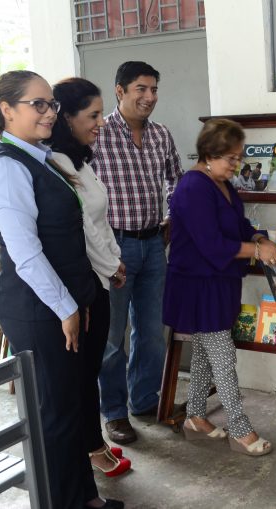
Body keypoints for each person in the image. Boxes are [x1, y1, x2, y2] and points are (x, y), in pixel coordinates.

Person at [0, 70, 123, 508]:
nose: (49, 113)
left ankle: (86, 497)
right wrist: (66, 307)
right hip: (40, 308)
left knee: (73, 408)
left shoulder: (41, 159)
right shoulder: (7, 167)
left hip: (65, 301)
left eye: (51, 104)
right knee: (56, 416)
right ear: (7, 110)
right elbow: (25, 253)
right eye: (37, 104)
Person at [163, 118, 276, 456]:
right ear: (209, 153)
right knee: (222, 356)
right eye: (230, 158)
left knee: (204, 352)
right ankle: (241, 429)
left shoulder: (222, 184)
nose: (236, 165)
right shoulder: (193, 187)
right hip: (197, 284)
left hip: (220, 281)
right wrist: (259, 251)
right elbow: (212, 244)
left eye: (238, 157)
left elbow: (239, 224)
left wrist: (258, 237)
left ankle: (195, 418)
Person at [91, 61, 183, 445]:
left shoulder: (161, 135)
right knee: (113, 337)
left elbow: (176, 180)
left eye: (154, 89)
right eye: (141, 89)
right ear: (120, 91)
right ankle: (114, 413)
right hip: (114, 246)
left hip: (153, 244)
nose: (150, 97)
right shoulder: (98, 135)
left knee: (150, 333)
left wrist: (170, 219)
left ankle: (144, 402)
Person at [49, 77, 132, 478]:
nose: (100, 123)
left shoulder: (81, 158)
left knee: (92, 367)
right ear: (66, 118)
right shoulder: (57, 163)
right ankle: (93, 448)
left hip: (99, 277)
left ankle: (94, 444)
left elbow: (101, 220)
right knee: (83, 376)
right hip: (82, 284)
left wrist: (114, 260)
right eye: (93, 115)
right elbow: (82, 227)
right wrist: (111, 265)